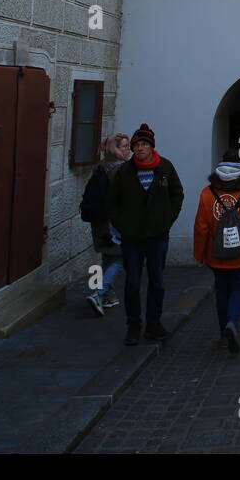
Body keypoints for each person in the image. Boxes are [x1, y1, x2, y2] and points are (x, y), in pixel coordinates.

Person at [106, 124, 184, 346]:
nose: (140, 148)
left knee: (157, 282)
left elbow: (177, 195)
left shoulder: (165, 168)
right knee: (132, 283)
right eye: (136, 145)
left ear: (151, 146)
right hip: (132, 238)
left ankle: (153, 324)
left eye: (144, 144)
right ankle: (133, 326)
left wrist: (167, 220)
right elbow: (112, 202)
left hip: (157, 236)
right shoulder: (124, 172)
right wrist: (122, 225)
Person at [194, 154, 240, 354]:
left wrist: (199, 254)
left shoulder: (207, 193)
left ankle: (223, 335)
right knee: (238, 289)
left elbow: (201, 227)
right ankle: (232, 322)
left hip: (215, 254)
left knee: (221, 293)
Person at [81, 133, 129, 316]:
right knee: (122, 256)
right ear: (115, 149)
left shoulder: (101, 166)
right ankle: (99, 293)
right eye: (124, 146)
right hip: (113, 222)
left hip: (99, 220)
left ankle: (107, 296)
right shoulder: (120, 169)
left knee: (106, 258)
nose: (128, 150)